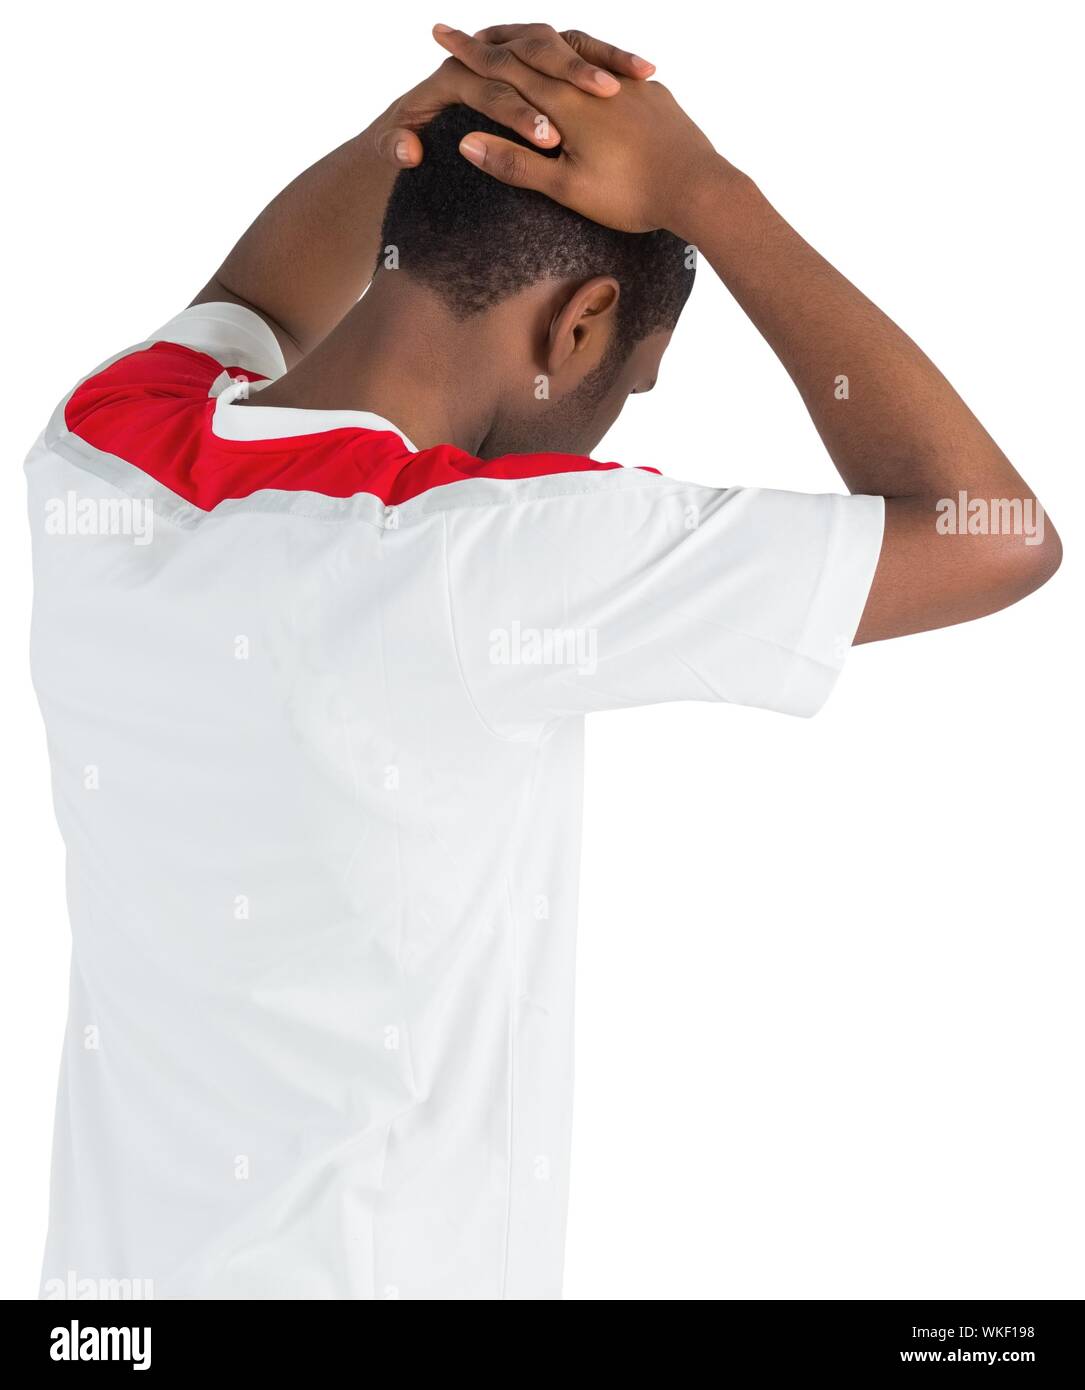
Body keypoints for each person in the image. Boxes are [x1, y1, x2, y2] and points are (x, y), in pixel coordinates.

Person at [27, 22, 1060, 1301]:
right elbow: (993, 535)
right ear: (581, 326)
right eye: (632, 376)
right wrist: (705, 194)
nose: (618, 408)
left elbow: (263, 293)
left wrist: (444, 112)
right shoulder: (478, 554)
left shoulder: (97, 451)